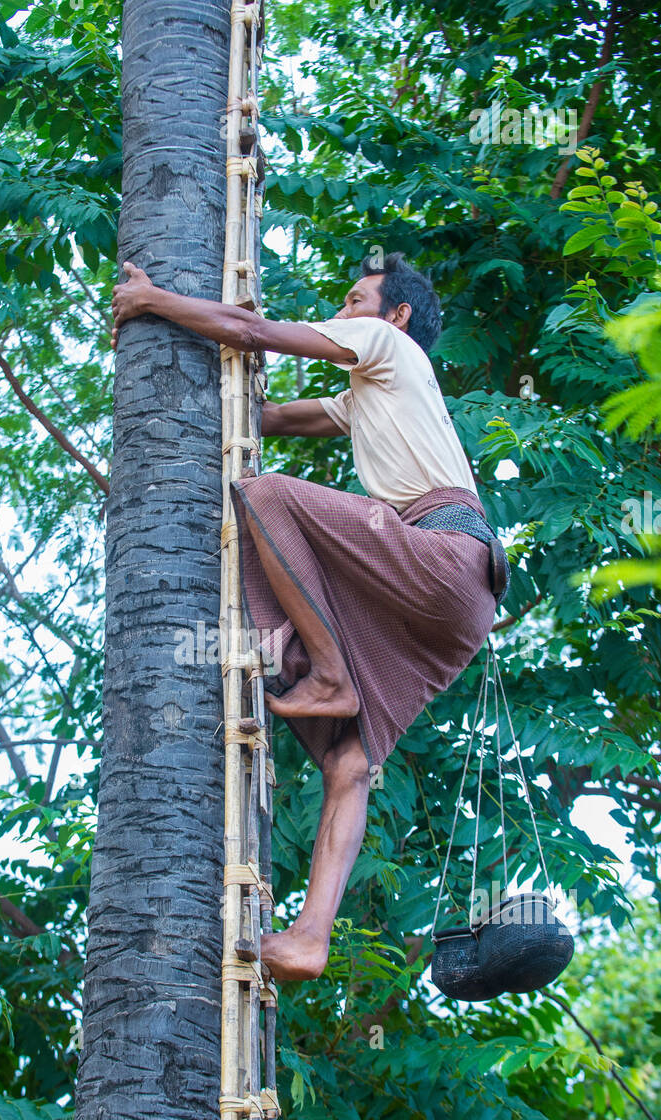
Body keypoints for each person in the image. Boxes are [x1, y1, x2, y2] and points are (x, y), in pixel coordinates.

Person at [111, 251, 503, 981]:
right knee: (350, 765)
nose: (343, 311)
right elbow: (263, 416)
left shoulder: (385, 345)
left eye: (354, 300)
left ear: (396, 315)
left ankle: (329, 673)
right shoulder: (369, 394)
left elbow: (246, 329)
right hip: (456, 600)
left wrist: (151, 299)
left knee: (265, 495)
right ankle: (307, 939)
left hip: (442, 550)